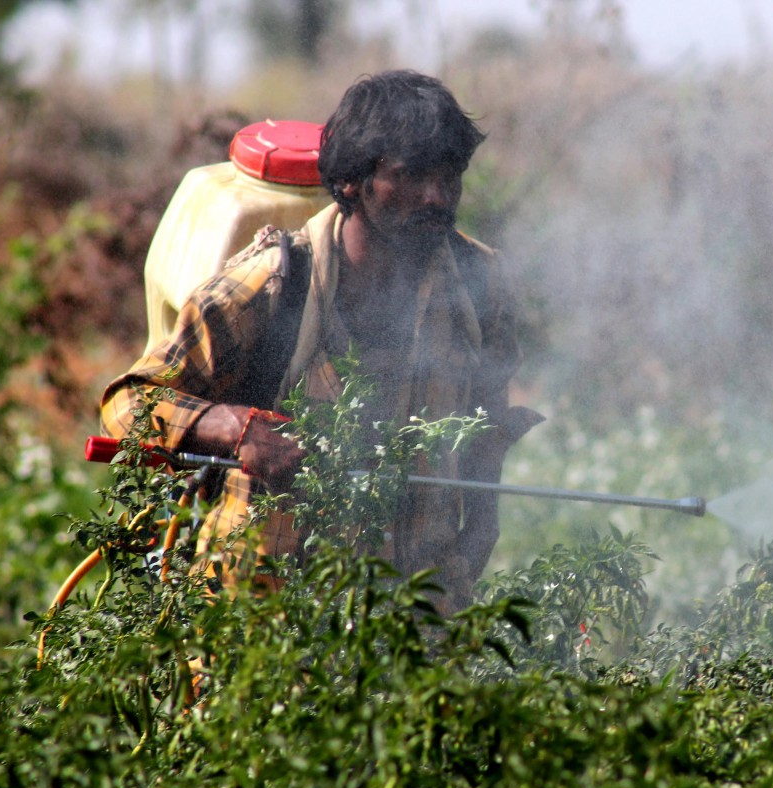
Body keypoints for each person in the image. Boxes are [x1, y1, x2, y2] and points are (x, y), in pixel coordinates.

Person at [101, 70, 542, 610]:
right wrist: (240, 430)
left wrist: (481, 528)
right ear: (352, 180)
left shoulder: (480, 284)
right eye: (411, 176)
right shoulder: (272, 283)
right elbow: (129, 403)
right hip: (265, 626)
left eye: (449, 177)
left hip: (416, 619)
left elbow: (482, 421)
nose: (436, 196)